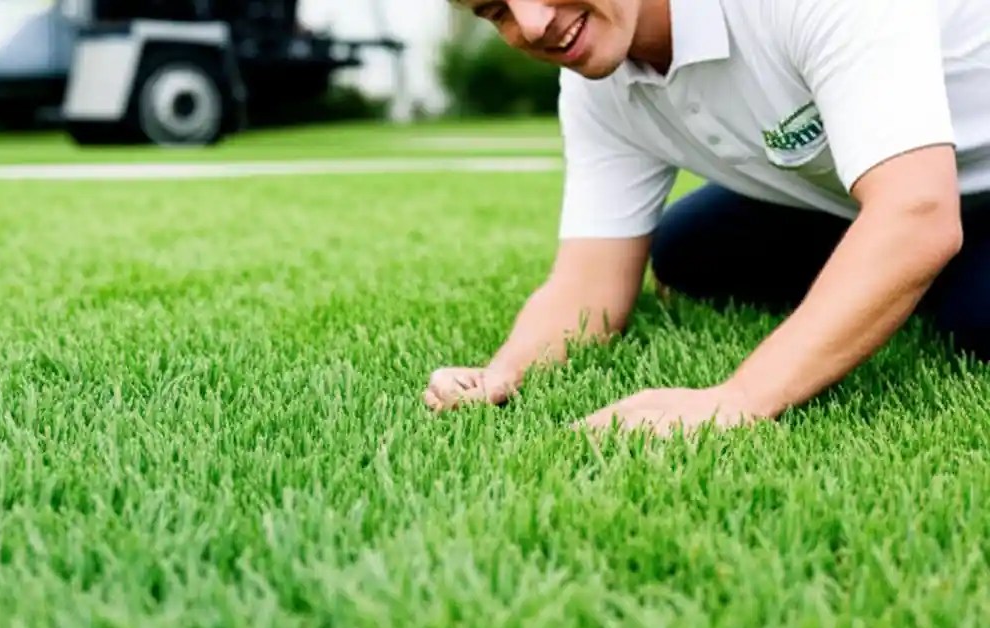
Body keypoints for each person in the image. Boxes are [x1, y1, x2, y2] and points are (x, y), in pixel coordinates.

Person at [424, 0, 990, 434]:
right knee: (687, 250)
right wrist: (503, 372)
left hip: (952, 188)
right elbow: (588, 282)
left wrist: (738, 399)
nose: (533, 22)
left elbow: (918, 211)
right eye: (495, 10)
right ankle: (899, 267)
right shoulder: (595, 86)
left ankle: (922, 274)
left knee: (972, 311)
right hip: (874, 189)